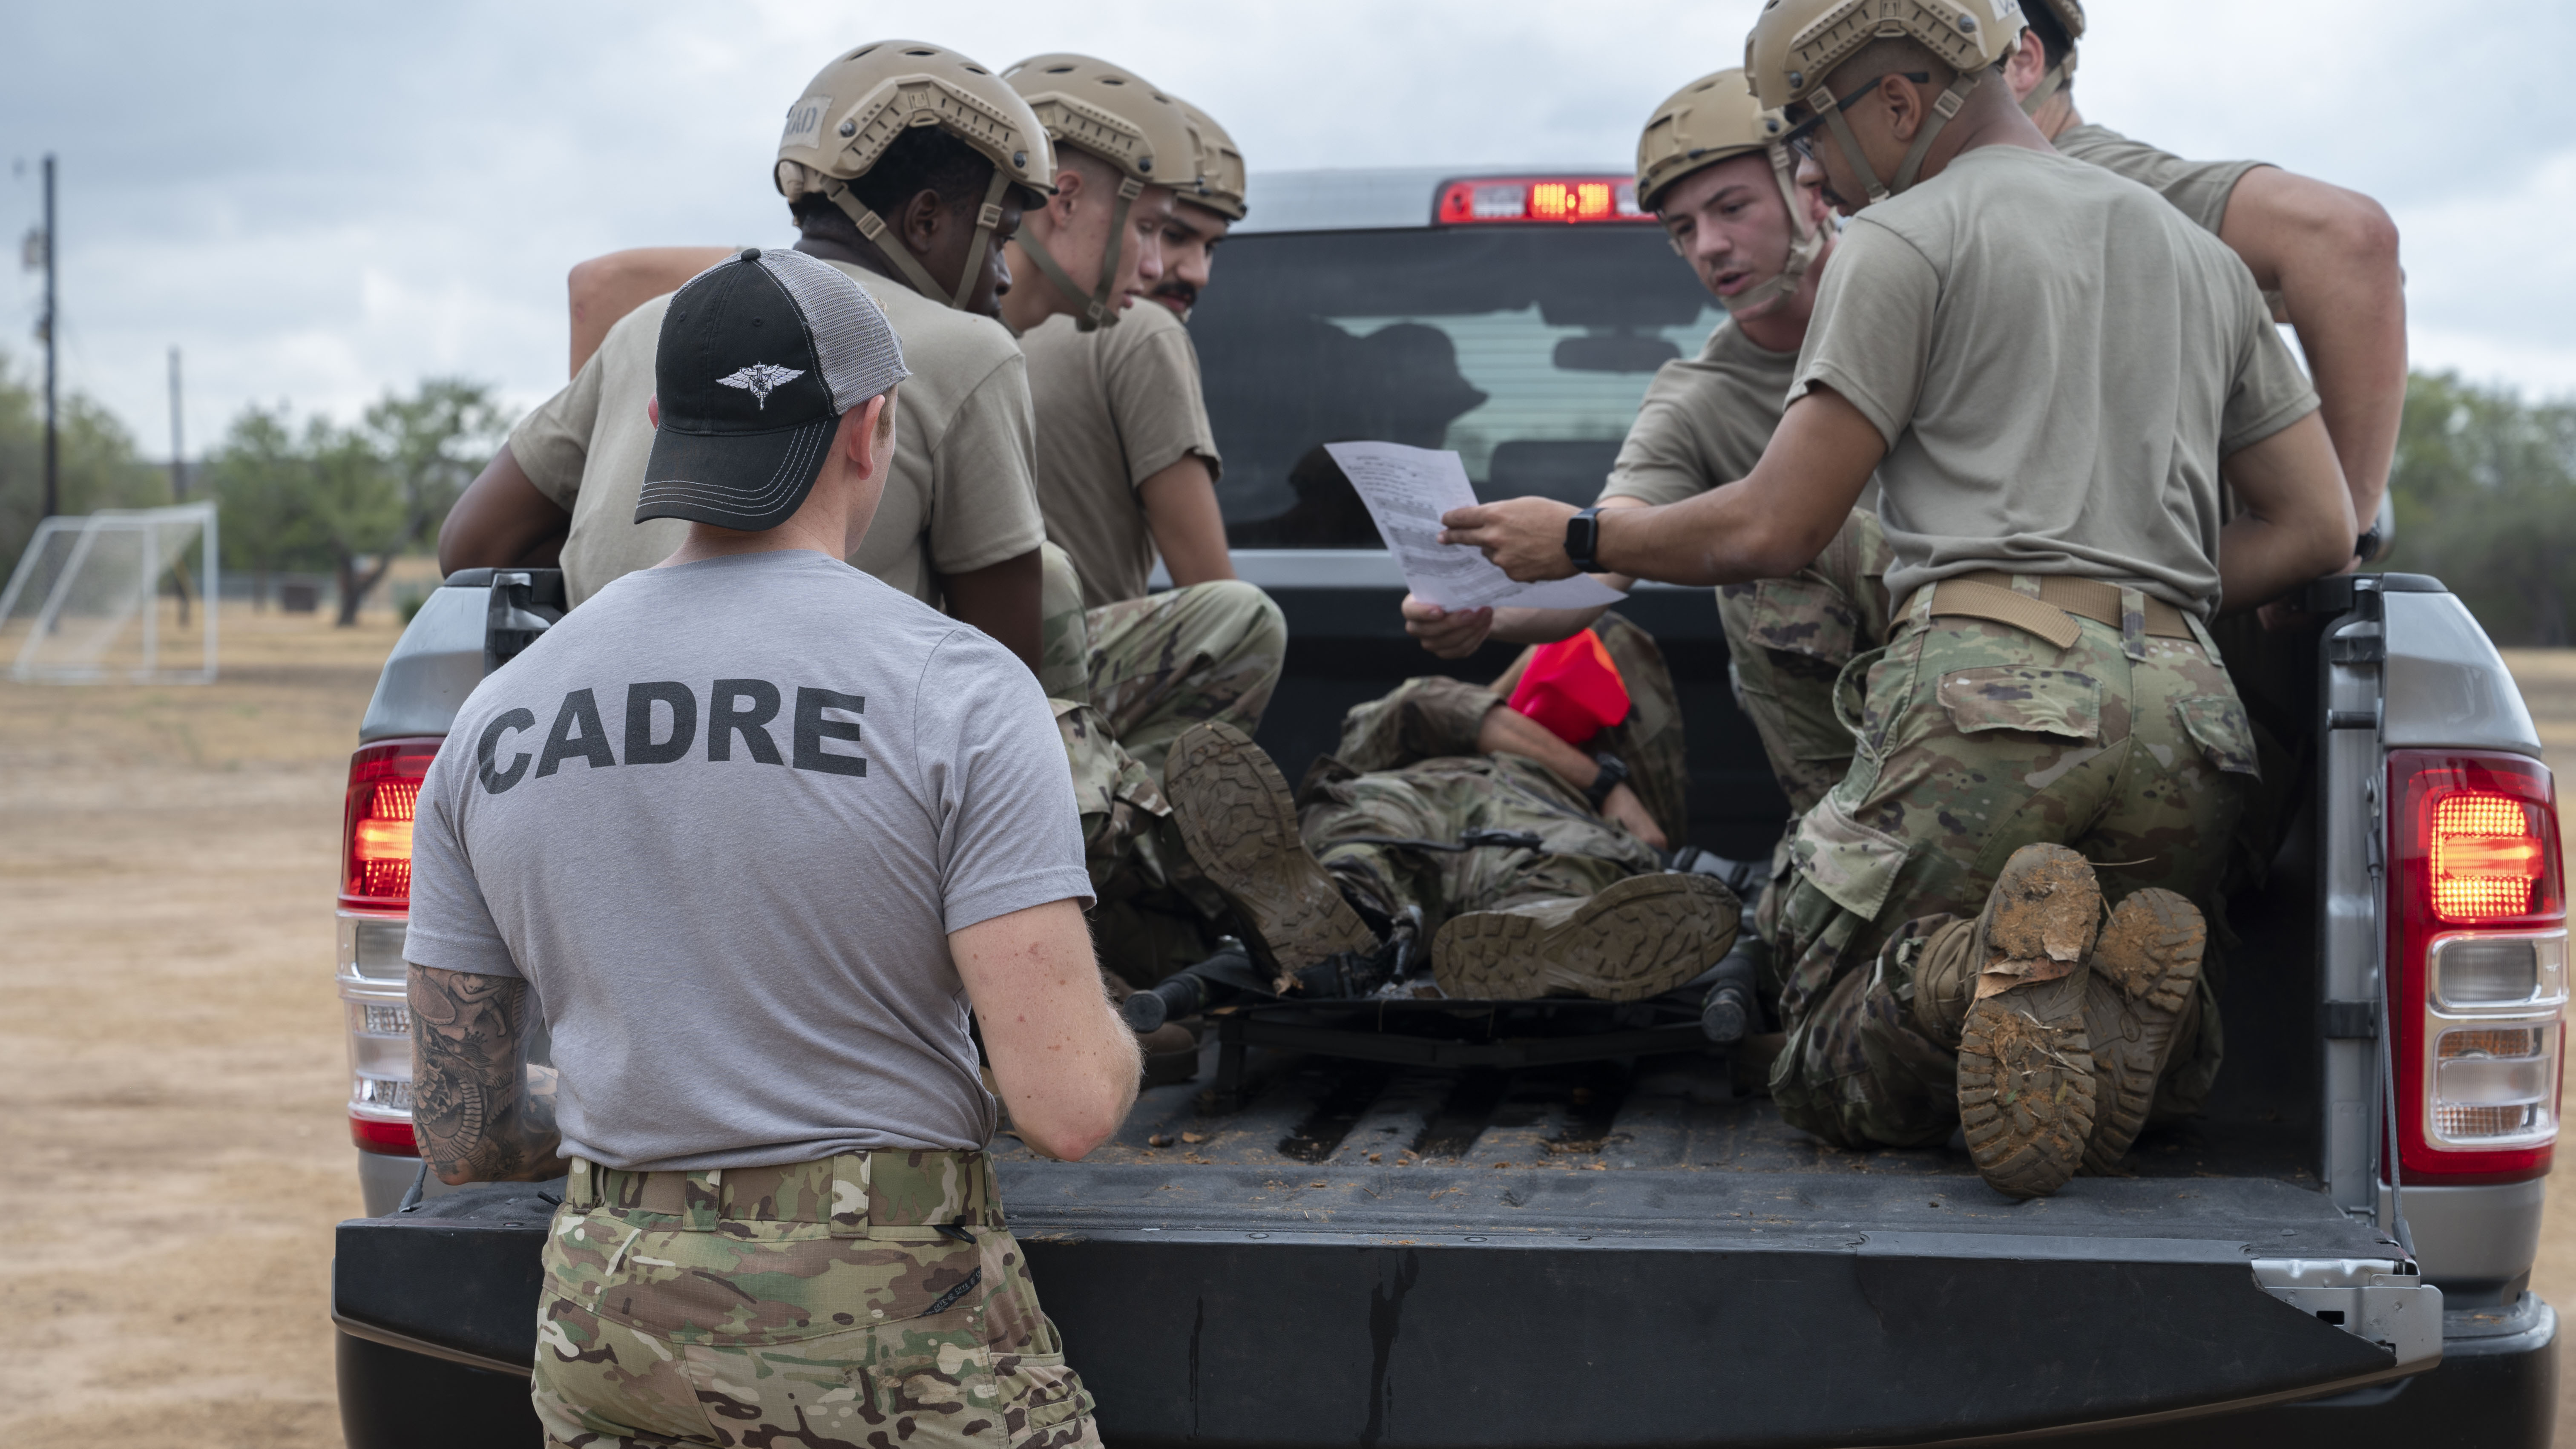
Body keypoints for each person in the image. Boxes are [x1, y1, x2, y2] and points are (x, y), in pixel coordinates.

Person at [1438, 0, 2355, 1199]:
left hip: (1991, 700)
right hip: (2189, 712)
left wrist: (1578, 537)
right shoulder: (2196, 254)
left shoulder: (1907, 238)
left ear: (1900, 102)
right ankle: (2115, 1017)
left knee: (1817, 1035)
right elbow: (2319, 524)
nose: (1815, 174)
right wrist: (2147, 581)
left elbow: (1783, 523)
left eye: (1813, 136)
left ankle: (1971, 972)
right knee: (2119, 1100)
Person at [403, 247, 1131, 1446]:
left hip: (612, 1321)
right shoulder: (956, 689)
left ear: (656, 426)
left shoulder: (499, 719)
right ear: (869, 428)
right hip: (889, 1330)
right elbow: (1068, 1104)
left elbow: (465, 1126)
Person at [1405, 68, 1891, 956]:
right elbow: (1605, 551)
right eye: (1682, 230)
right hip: (1859, 760)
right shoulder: (1697, 399)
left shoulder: (1922, 289)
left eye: (1732, 208)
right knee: (1768, 553)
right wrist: (1485, 611)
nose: (1710, 245)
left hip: (2003, 666)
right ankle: (1849, 857)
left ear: (1810, 186)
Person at [437, 40, 1059, 676]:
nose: (1005, 276)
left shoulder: (651, 324)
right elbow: (1009, 675)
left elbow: (475, 542)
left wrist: (616, 613)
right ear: (926, 220)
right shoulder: (974, 352)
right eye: (1000, 239)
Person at [998, 60, 1290, 989]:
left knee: (1171, 960)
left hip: (994, 707)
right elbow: (1209, 586)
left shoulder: (992, 325)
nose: (1181, 271)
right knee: (1243, 622)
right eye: (1164, 232)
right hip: (1050, 713)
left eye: (1209, 245)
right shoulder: (1139, 333)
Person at [1158, 614, 1736, 1004]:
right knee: (1362, 847)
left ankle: (1541, 936)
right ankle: (1327, 915)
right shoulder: (1431, 735)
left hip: (1547, 825)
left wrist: (1612, 792)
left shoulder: (1601, 799)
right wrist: (1601, 782)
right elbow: (1423, 702)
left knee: (1570, 877)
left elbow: (1656, 840)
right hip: (1416, 803)